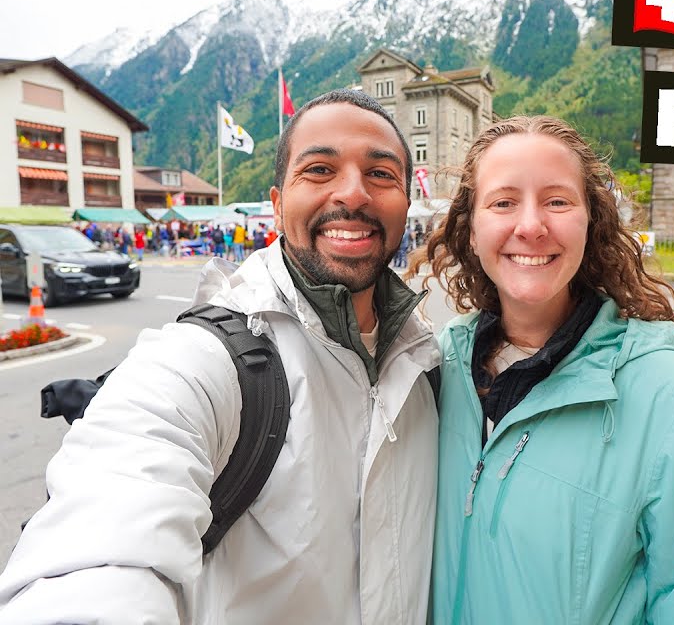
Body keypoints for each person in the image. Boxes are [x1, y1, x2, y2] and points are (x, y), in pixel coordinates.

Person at [0, 89, 441, 623]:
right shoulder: (211, 359)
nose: (353, 192)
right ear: (277, 204)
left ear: (405, 201)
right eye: (320, 169)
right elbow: (101, 540)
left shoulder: (429, 366)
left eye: (381, 174)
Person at [414, 115, 674, 623]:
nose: (531, 225)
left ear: (591, 222)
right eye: (503, 202)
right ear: (471, 230)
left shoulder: (672, 401)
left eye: (558, 201)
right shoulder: (436, 369)